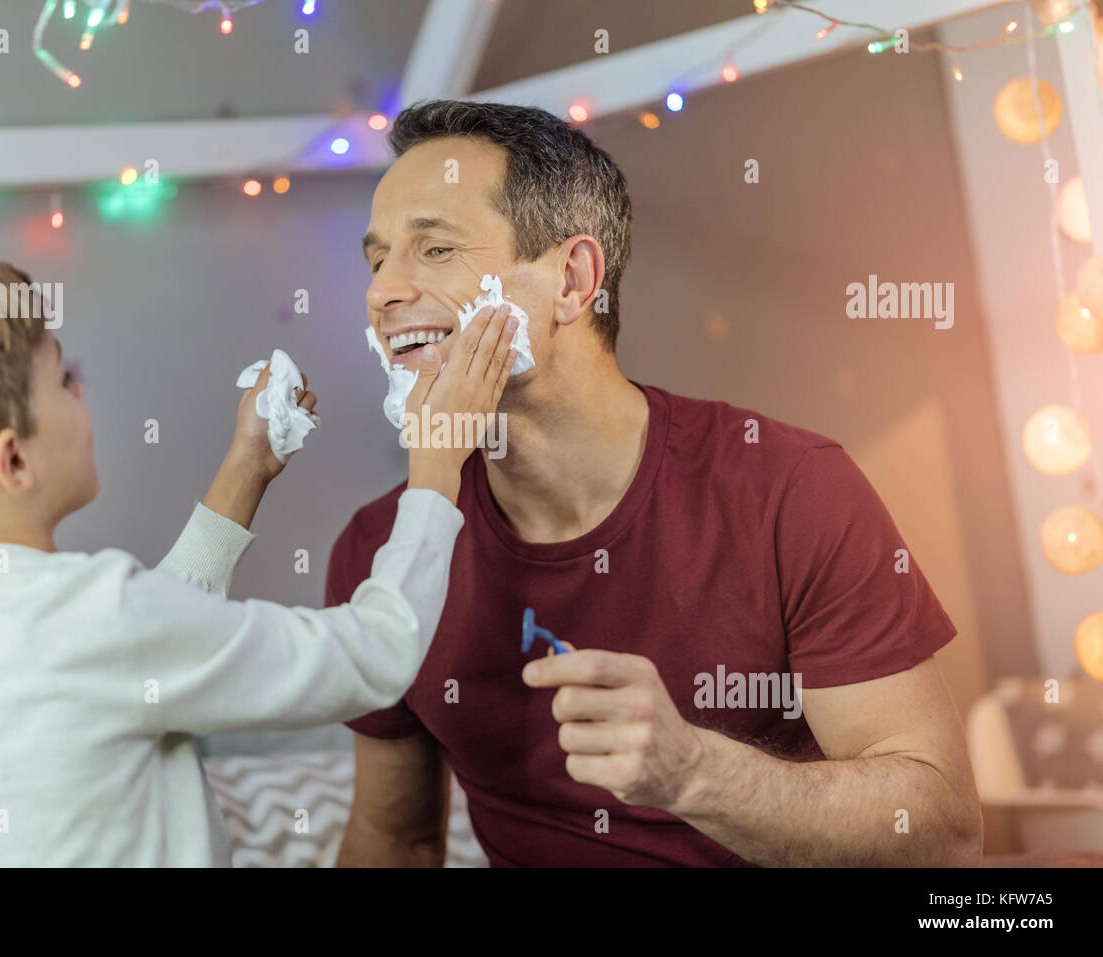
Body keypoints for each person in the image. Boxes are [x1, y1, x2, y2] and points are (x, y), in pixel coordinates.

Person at [330, 100, 983, 867]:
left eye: (435, 249)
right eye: (378, 260)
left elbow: (944, 834)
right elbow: (395, 838)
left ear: (573, 280)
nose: (383, 292)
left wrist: (694, 772)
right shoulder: (383, 552)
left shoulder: (789, 490)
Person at [0, 254, 516, 865]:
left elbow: (152, 648)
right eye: (63, 379)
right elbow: (375, 656)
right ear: (14, 459)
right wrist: (436, 464)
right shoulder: (100, 616)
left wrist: (246, 468)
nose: (82, 391)